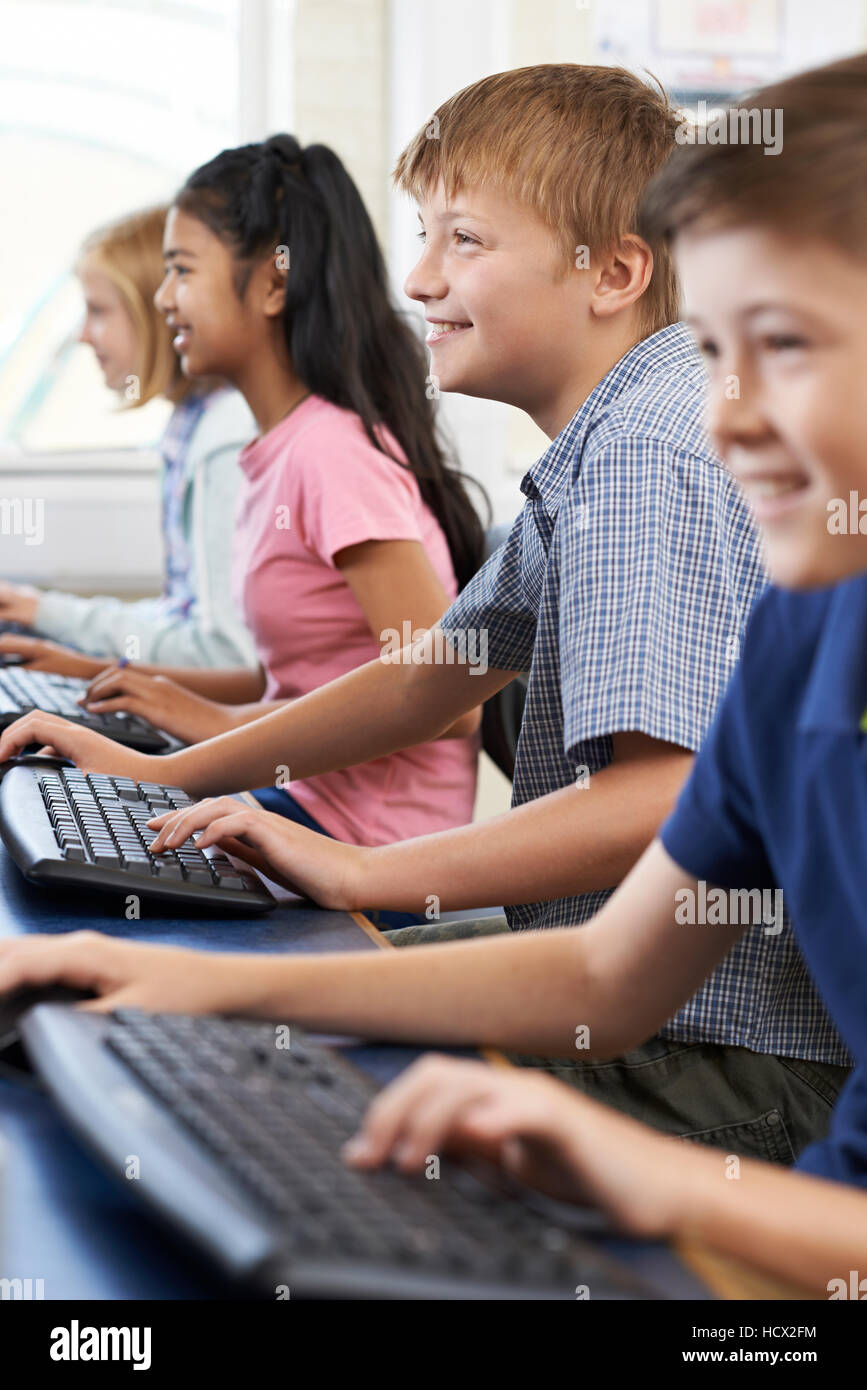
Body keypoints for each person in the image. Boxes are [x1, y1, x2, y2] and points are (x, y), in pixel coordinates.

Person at [3, 53, 865, 1296]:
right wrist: (178, 957)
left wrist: (364, 879)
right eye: (723, 342)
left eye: (777, 344)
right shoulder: (766, 586)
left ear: (614, 275)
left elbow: (642, 807)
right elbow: (437, 681)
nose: (729, 410)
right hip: (703, 1054)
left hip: (729, 1067)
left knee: (307, 1153)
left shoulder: (649, 448)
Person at [0, 205, 257, 673]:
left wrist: (50, 617)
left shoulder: (226, 434)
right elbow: (179, 615)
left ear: (158, 311)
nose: (82, 335)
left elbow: (224, 654)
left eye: (98, 311)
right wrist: (43, 611)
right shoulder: (192, 421)